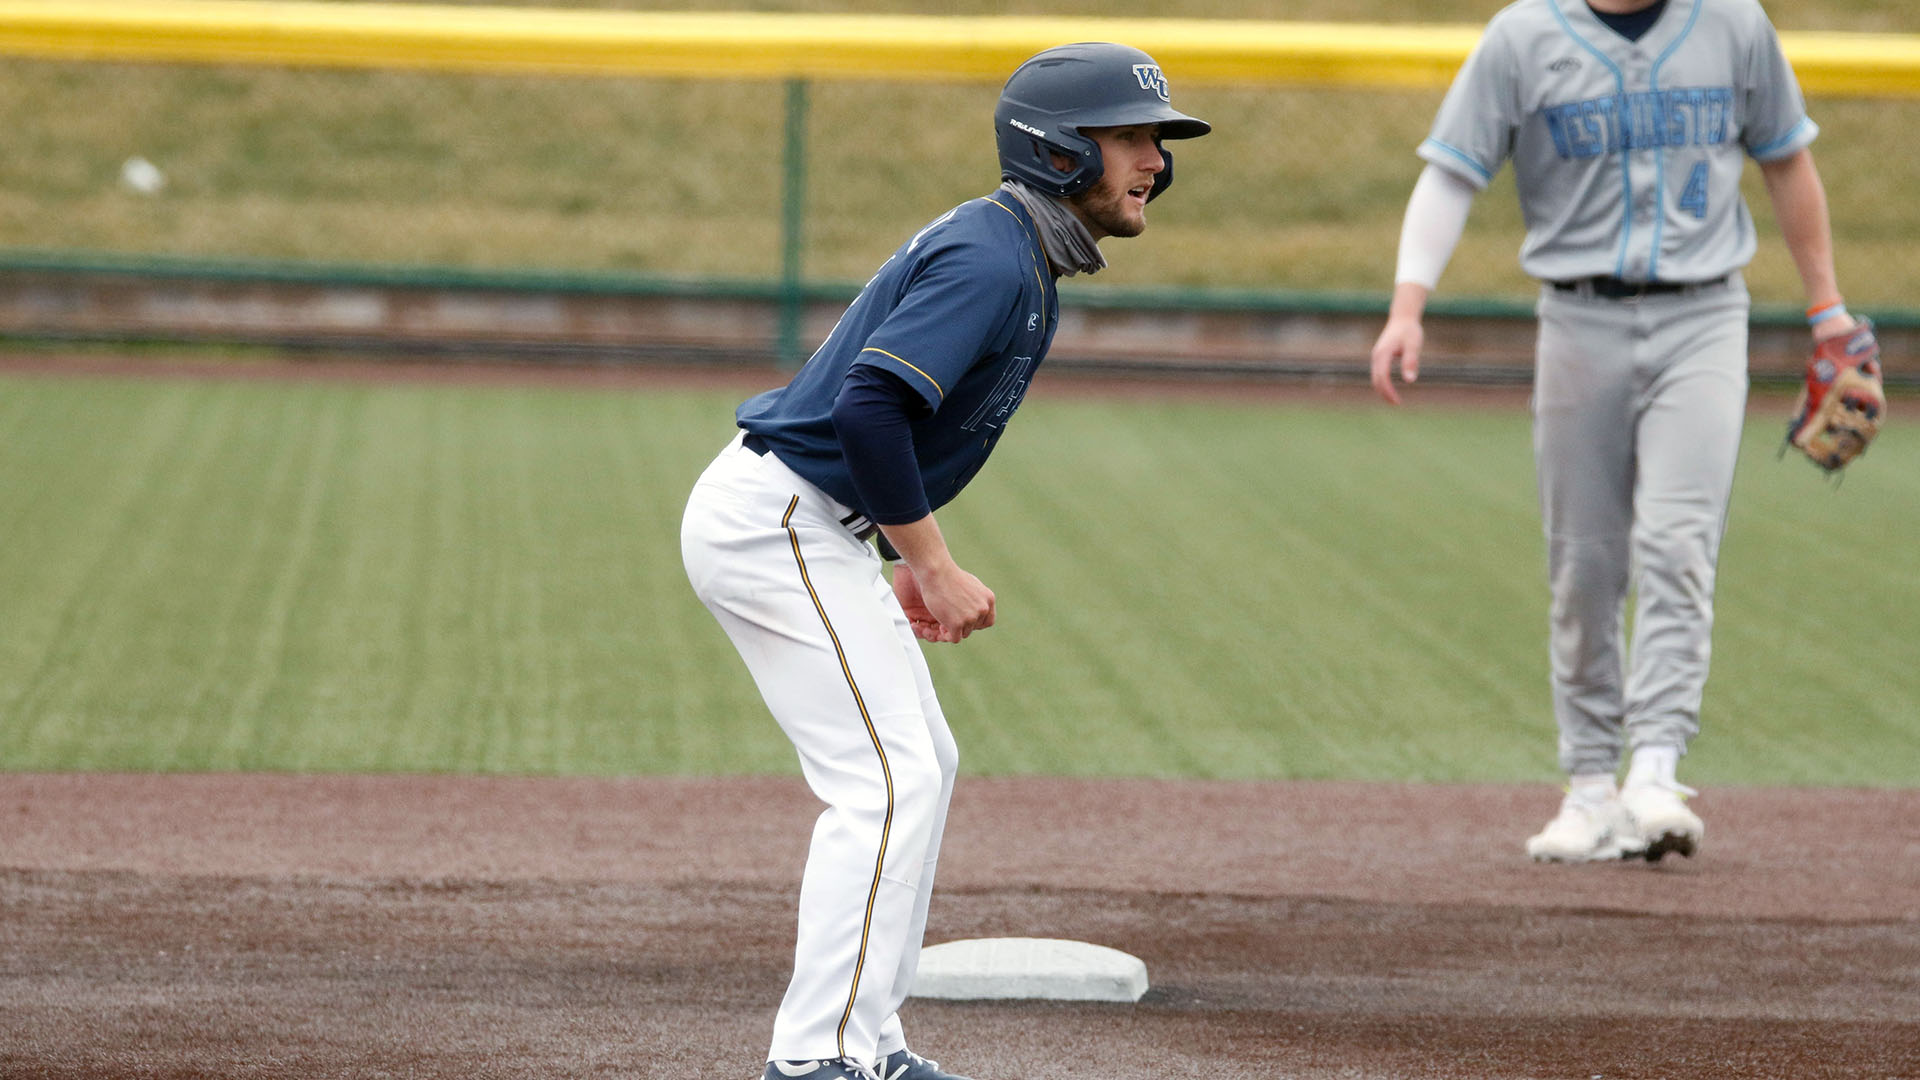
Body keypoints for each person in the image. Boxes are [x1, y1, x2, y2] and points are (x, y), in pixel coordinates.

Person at [681, 43, 1209, 1080]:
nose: (1153, 158)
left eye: (1156, 139)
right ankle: (815, 1058)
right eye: (1131, 137)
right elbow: (870, 405)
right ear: (1061, 152)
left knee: (923, 765)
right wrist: (933, 560)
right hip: (777, 522)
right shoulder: (994, 256)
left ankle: (871, 1045)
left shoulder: (1014, 246)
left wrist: (900, 557)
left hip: (814, 522)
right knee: (883, 783)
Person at [1368, 0, 1859, 863]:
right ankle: (1591, 784)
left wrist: (1828, 312)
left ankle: (1656, 771)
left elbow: (1787, 158)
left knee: (1678, 542)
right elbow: (1452, 173)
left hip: (1706, 316)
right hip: (1578, 321)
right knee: (1585, 561)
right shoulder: (1524, 36)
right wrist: (1409, 306)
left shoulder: (1735, 23)